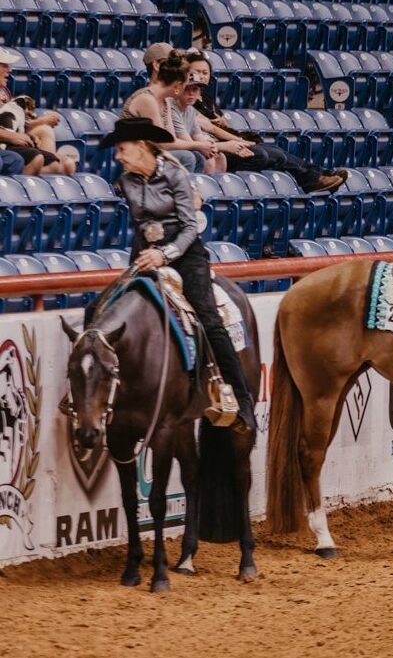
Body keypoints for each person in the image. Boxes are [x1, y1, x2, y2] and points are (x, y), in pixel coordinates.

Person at [104, 117, 256, 432]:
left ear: (142, 146)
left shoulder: (175, 175)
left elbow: (190, 227)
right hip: (145, 254)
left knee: (210, 320)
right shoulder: (127, 181)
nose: (117, 156)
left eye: (122, 148)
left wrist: (165, 254)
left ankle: (243, 401)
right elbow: (136, 220)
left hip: (185, 255)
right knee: (101, 309)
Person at [182, 50, 345, 193]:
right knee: (265, 155)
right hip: (215, 149)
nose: (202, 76)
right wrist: (238, 141)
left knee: (276, 150)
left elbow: (222, 126)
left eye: (205, 72)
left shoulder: (206, 99)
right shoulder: (188, 98)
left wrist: (236, 136)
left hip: (227, 143)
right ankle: (313, 180)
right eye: (197, 72)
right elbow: (209, 128)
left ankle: (319, 174)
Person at [122, 51, 213, 172]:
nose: (187, 91)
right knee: (188, 157)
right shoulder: (147, 99)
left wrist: (201, 146)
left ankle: (189, 189)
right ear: (177, 85)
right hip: (134, 159)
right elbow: (162, 143)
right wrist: (199, 145)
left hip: (154, 155)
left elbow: (171, 140)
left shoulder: (165, 101)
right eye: (185, 86)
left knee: (198, 157)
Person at [0, 52, 74, 175]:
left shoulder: (4, 91)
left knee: (67, 164)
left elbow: (14, 122)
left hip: (11, 135)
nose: (9, 70)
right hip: (5, 141)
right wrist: (12, 136)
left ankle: (45, 168)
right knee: (50, 164)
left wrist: (28, 136)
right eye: (4, 65)